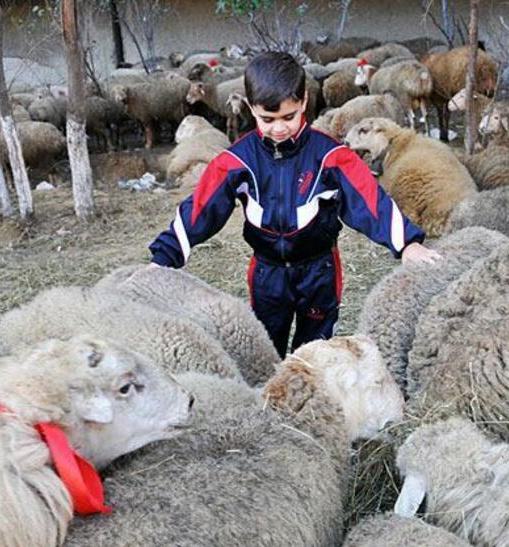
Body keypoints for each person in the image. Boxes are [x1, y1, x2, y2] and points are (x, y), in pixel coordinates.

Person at [150, 51, 441, 358]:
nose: (279, 128)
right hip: (267, 274)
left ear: (303, 101)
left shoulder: (330, 156)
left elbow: (370, 201)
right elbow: (201, 207)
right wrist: (165, 256)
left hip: (319, 271)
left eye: (288, 117)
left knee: (313, 354)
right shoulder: (237, 160)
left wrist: (407, 243)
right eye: (267, 119)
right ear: (251, 108)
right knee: (265, 351)